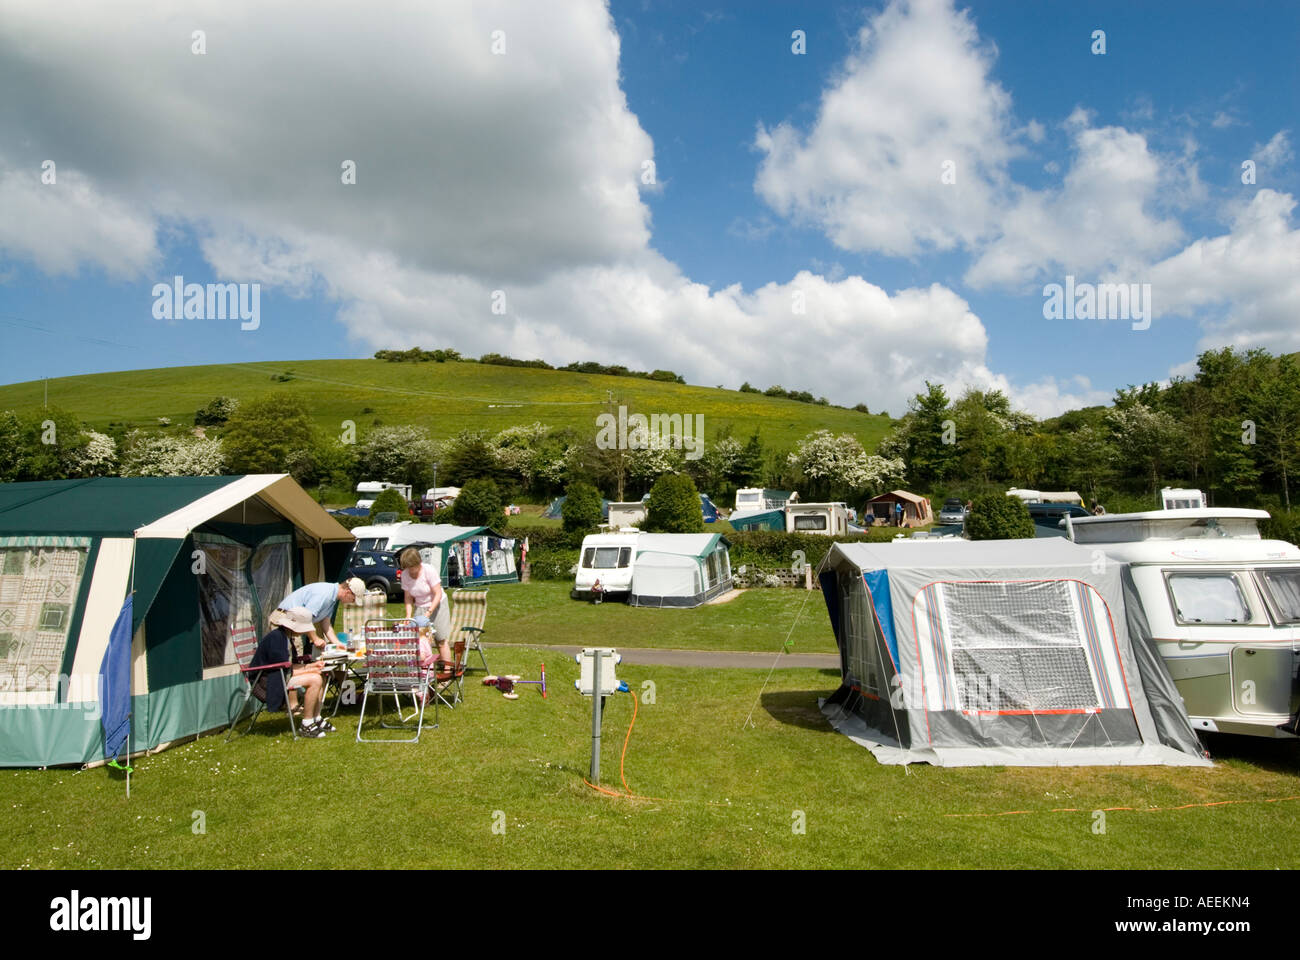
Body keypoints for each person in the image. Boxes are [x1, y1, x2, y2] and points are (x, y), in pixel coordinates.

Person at [249, 606, 333, 738]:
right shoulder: (276, 639)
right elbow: (283, 668)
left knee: (319, 674)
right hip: (266, 681)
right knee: (315, 679)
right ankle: (307, 724)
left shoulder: (285, 636)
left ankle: (316, 718)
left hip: (278, 673)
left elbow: (287, 666)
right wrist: (310, 668)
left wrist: (312, 666)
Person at [276, 577, 365, 653]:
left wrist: (338, 644)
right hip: (284, 619)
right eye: (353, 599)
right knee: (287, 659)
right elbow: (305, 618)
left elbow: (326, 623)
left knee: (295, 657)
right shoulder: (325, 594)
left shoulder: (332, 598)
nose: (352, 602)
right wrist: (315, 639)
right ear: (348, 592)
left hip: (293, 622)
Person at [399, 548, 452, 668]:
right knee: (420, 640)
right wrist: (408, 615)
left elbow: (437, 593)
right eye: (408, 567)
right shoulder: (405, 575)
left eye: (412, 567)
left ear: (418, 563)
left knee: (441, 639)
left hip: (437, 605)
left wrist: (429, 613)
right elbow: (408, 598)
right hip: (420, 605)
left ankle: (447, 673)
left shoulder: (429, 570)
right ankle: (424, 672)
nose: (410, 570)